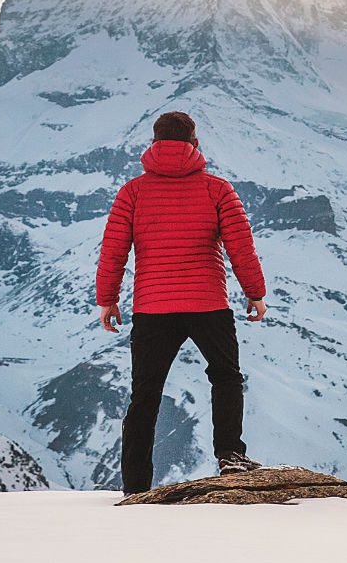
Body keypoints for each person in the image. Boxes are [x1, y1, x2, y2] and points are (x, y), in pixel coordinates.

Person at [97, 110, 268, 494]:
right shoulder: (217, 189)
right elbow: (241, 247)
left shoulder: (133, 192)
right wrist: (255, 292)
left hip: (153, 308)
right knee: (225, 377)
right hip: (208, 303)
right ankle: (230, 457)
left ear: (154, 143)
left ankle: (135, 486)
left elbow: (113, 251)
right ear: (194, 142)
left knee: (146, 393)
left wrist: (107, 299)